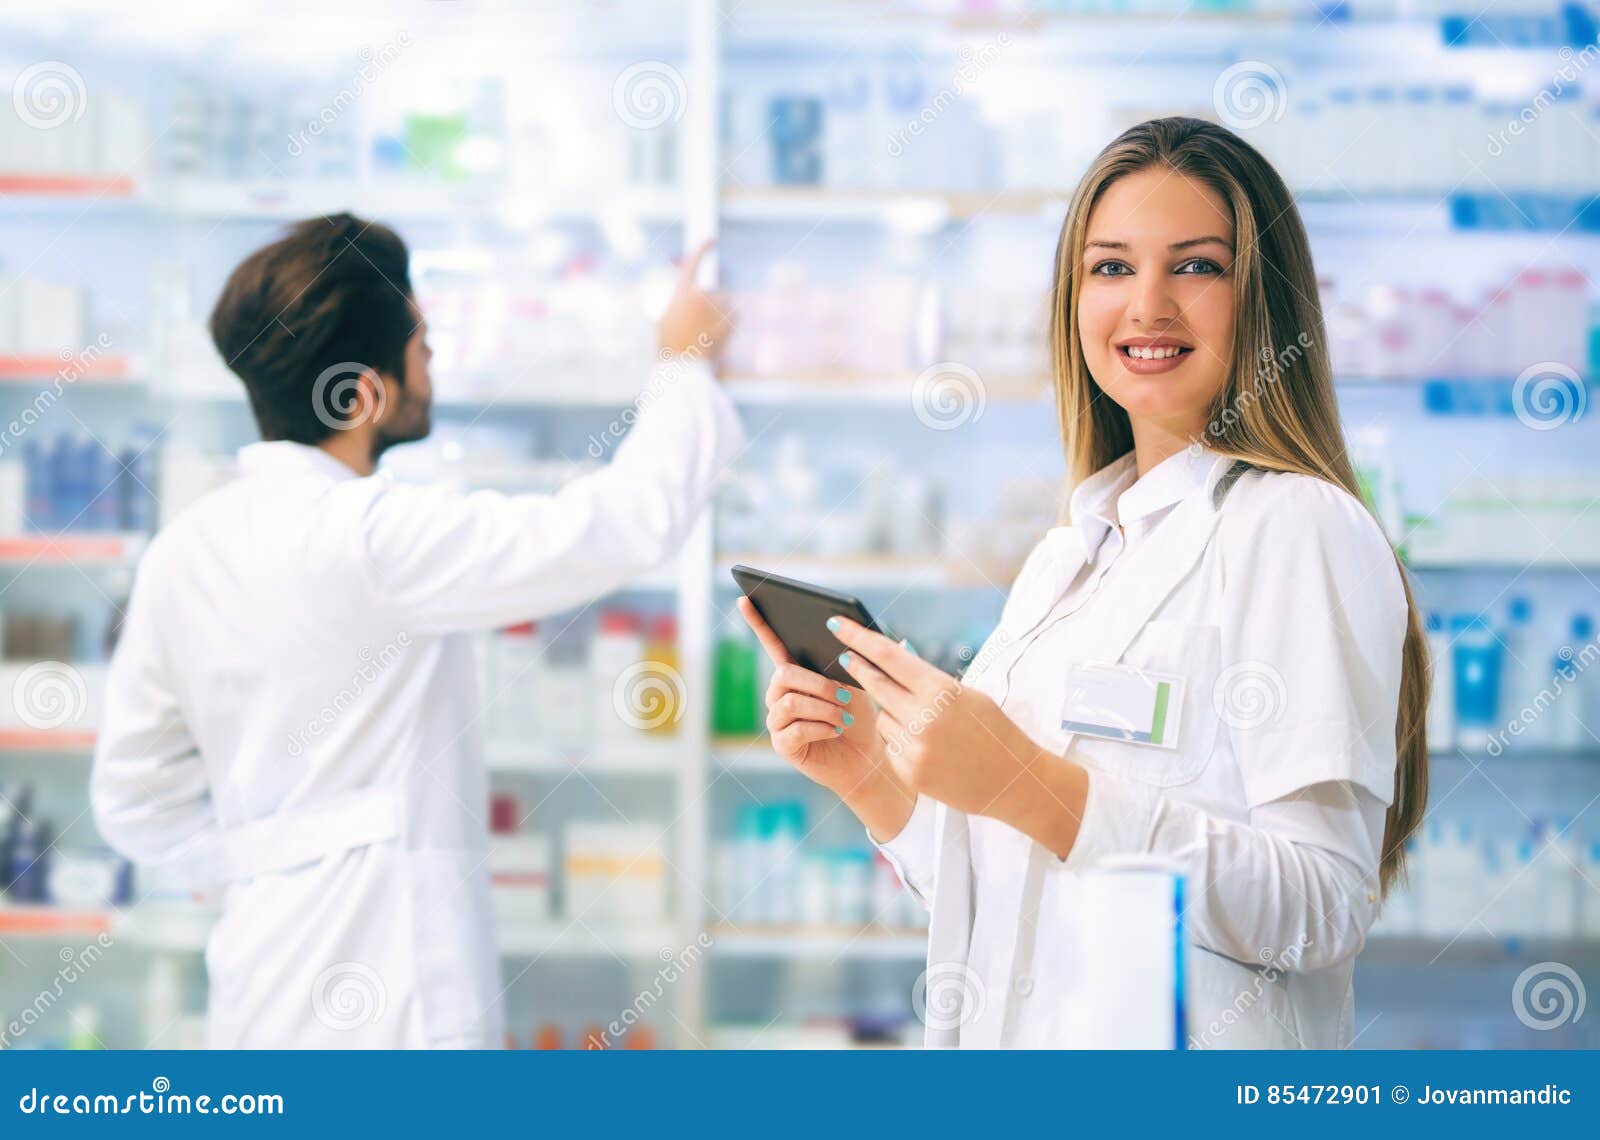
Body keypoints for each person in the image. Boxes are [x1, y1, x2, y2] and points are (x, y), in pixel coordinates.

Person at [740, 116, 1428, 1048]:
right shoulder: (1071, 554)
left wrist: (1032, 784)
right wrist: (872, 781)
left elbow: (1323, 903)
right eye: (1110, 268)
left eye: (1196, 266)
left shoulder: (1295, 526)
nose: (1147, 305)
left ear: (1265, 300)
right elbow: (1016, 884)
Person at [91, 214, 742, 1048]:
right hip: (392, 1003)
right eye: (420, 342)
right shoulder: (370, 534)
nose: (431, 361)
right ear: (364, 394)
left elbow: (133, 803)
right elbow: (616, 528)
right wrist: (682, 364)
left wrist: (272, 853)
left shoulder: (183, 546)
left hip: (259, 983)